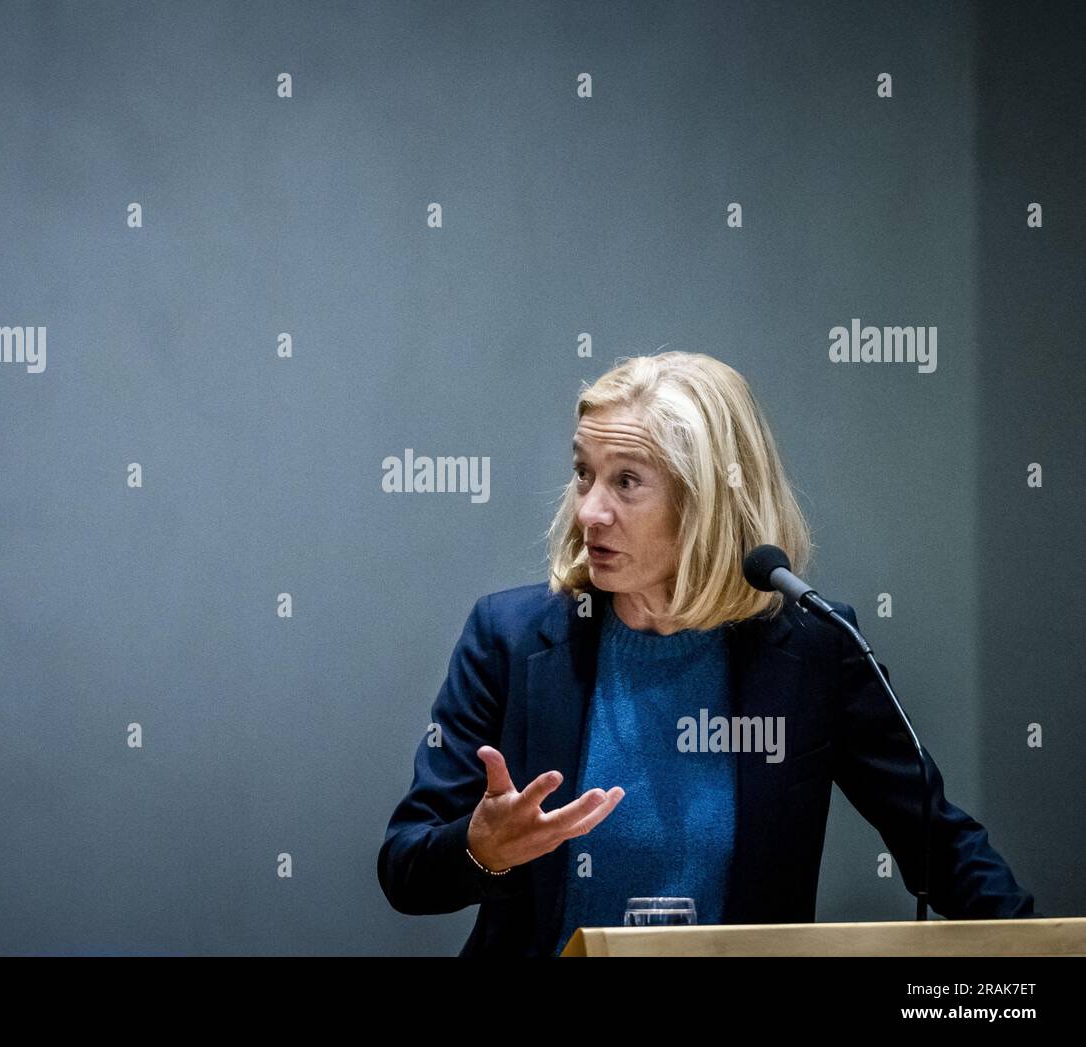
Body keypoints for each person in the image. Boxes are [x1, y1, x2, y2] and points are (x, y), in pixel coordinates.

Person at [377, 351, 1036, 956]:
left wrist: (1041, 949)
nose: (590, 512)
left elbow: (940, 847)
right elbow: (405, 868)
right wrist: (482, 848)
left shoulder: (813, 653)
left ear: (707, 504)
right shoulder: (511, 637)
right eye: (584, 474)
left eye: (626, 481)